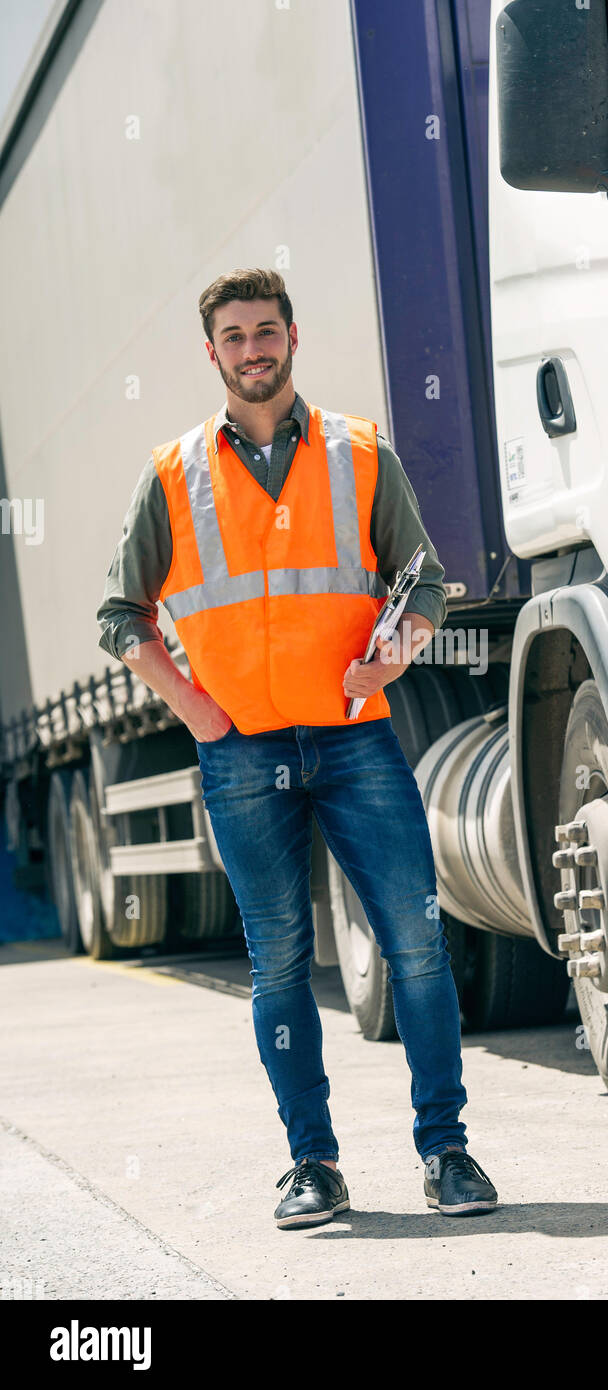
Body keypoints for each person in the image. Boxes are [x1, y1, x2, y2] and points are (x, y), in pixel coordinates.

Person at [96, 268, 498, 1228]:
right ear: (212, 354)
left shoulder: (360, 452)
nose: (253, 350)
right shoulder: (173, 473)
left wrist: (393, 657)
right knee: (278, 963)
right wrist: (192, 708)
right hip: (239, 754)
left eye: (265, 331)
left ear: (292, 337)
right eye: (233, 337)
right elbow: (120, 615)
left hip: (354, 739)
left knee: (416, 944)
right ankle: (311, 1165)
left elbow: (424, 581)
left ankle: (446, 1153)